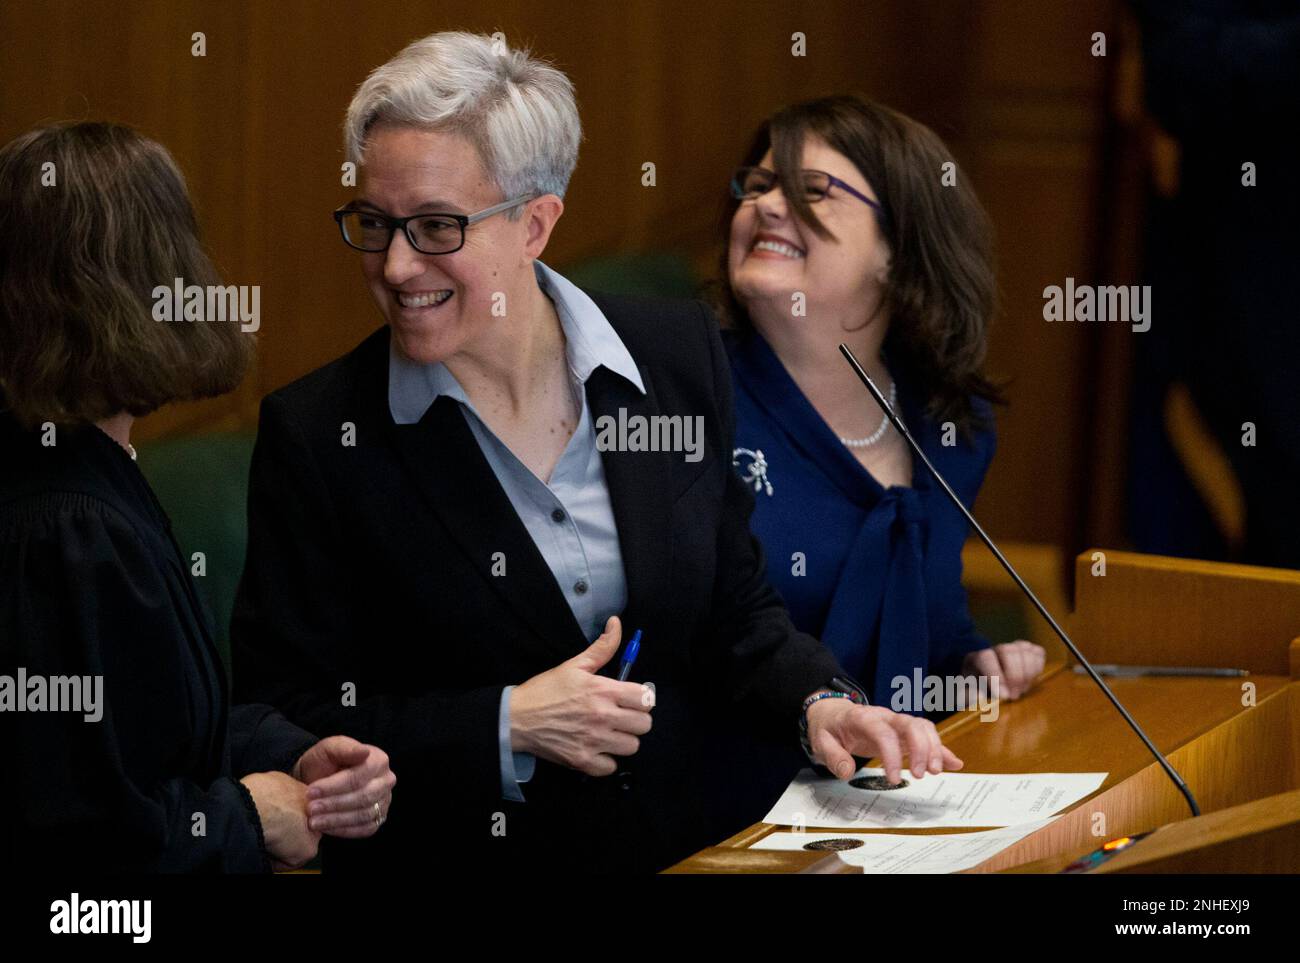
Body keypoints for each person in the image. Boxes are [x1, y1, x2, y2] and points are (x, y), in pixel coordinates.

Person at [231, 32, 962, 874]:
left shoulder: (675, 355)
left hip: (702, 848)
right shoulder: (321, 434)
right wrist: (505, 723)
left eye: (435, 227)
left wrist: (819, 701)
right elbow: (282, 710)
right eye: (374, 224)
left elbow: (736, 606)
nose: (395, 265)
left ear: (535, 224)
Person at [0, 122, 394, 871]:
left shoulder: (87, 471)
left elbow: (153, 732)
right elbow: (81, 865)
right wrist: (248, 816)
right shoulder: (67, 529)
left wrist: (290, 754)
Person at [705, 95, 1046, 825]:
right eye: (758, 185)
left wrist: (972, 663)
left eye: (811, 192)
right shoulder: (688, 393)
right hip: (720, 814)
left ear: (898, 250)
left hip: (886, 810)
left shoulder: (951, 425)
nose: (767, 206)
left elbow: (925, 614)